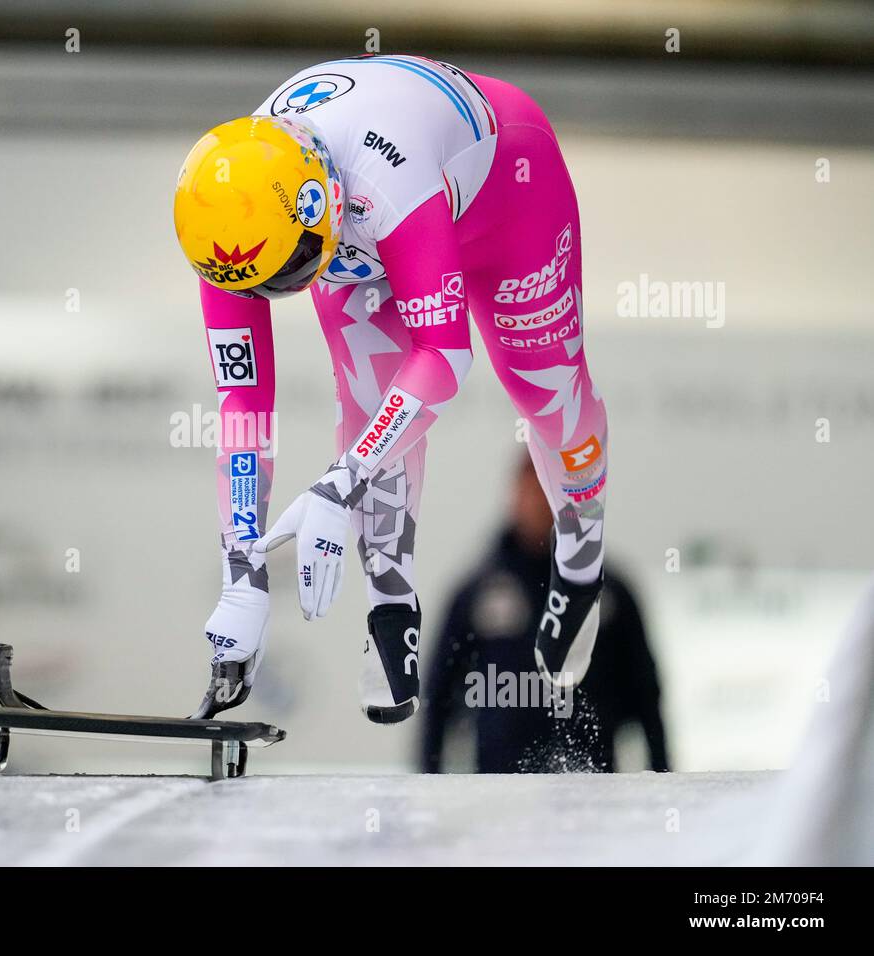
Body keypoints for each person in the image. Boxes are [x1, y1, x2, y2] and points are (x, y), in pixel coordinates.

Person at [174, 56, 609, 721]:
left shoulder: (383, 174)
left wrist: (336, 483)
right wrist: (244, 576)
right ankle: (390, 601)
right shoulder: (230, 229)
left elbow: (446, 354)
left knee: (546, 394)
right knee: (368, 401)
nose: (277, 294)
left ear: (321, 201)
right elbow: (243, 406)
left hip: (508, 197)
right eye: (262, 285)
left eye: (293, 273)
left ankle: (580, 553)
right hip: (368, 239)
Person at [419, 455, 668, 773]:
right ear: (514, 496)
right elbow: (438, 696)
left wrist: (663, 780)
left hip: (594, 791)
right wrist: (427, 785)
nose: (539, 504)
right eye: (530, 490)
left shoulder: (609, 592)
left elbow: (647, 694)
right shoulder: (477, 593)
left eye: (548, 492)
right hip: (501, 789)